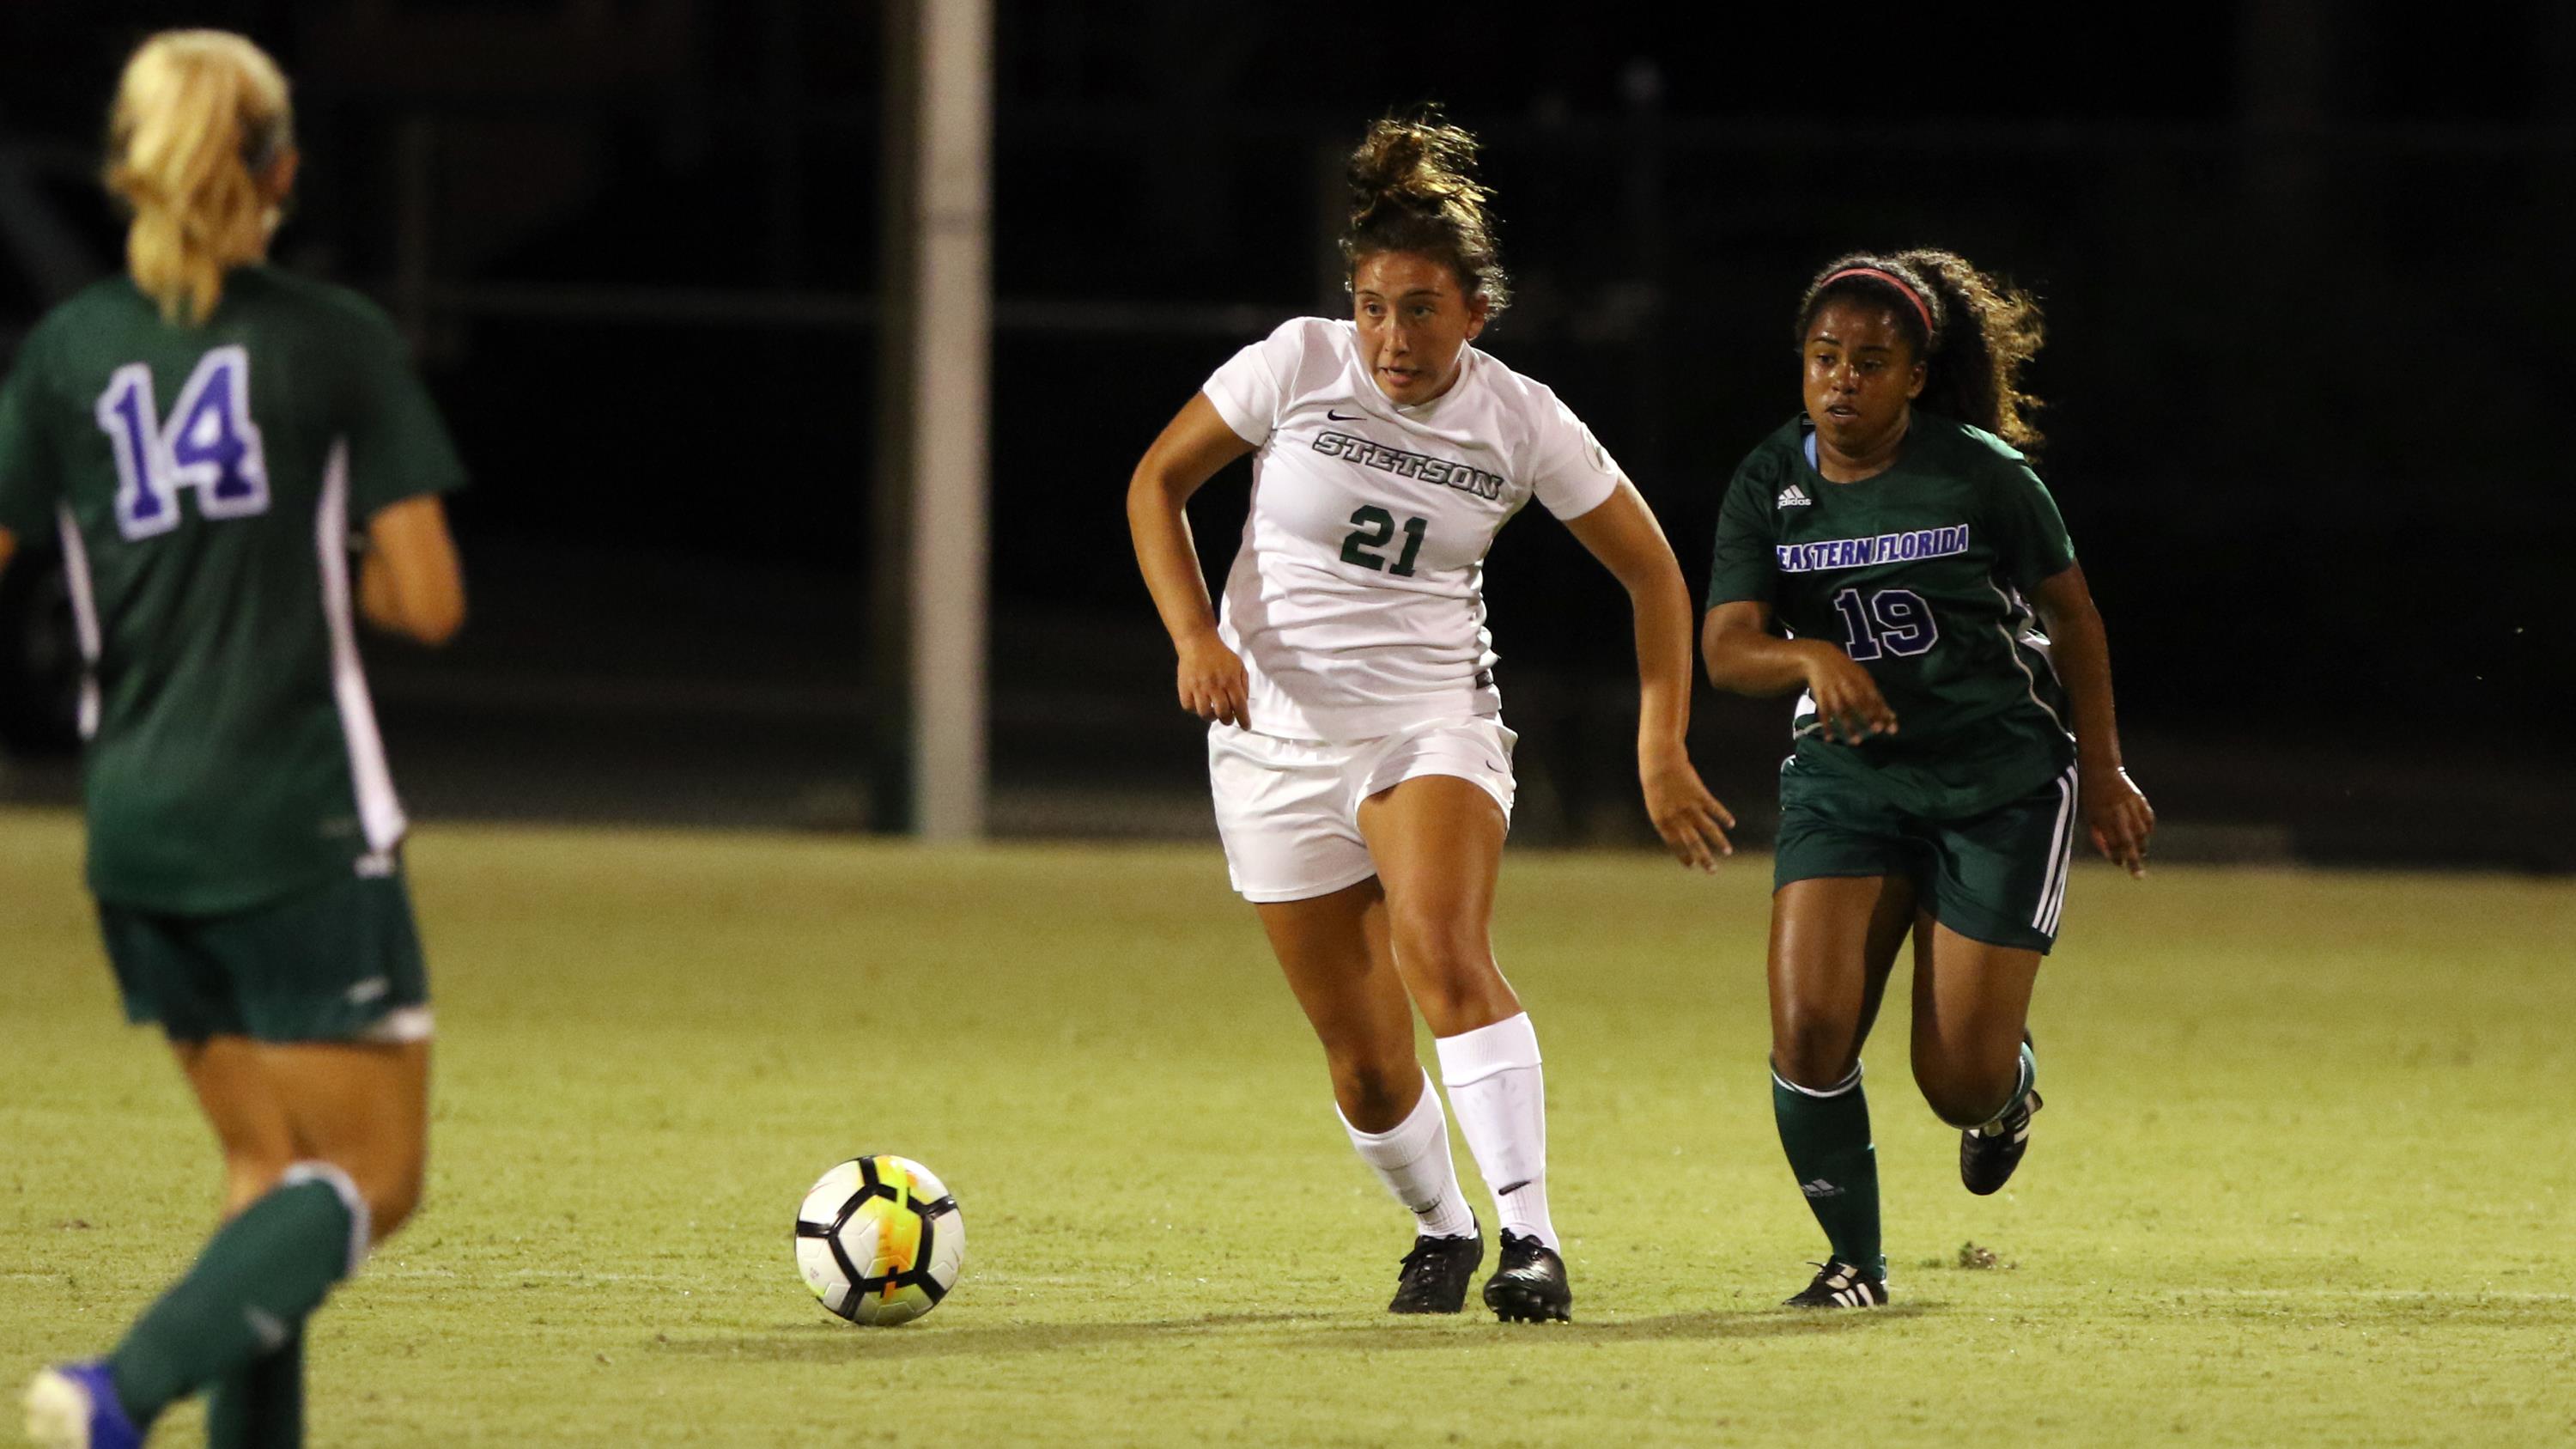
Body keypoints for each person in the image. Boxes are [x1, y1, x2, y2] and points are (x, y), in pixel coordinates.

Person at [1127, 111, 1735, 1324]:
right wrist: (1197, 636)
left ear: (1475, 313)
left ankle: (1533, 1238)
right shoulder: (1296, 365)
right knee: (1360, 1058)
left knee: (1443, 952)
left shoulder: (1521, 418)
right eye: (1372, 305)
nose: (1392, 335)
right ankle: (1440, 1225)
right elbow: (1157, 482)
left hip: (1429, 722)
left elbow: (1656, 572)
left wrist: (1659, 740)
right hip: (1273, 737)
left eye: (1419, 308)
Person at [5, 31, 467, 1447]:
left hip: (133, 827)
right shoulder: (331, 340)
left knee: (270, 1174)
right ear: (279, 166)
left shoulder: (67, 351)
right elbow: (426, 600)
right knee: (370, 1180)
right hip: (296, 825)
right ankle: (120, 1389)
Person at [1700, 249, 2154, 1309]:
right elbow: (1726, 649)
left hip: (1997, 784)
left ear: (1915, 375)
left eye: (1870, 360)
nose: (1843, 379)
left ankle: (2008, 1094)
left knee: (1956, 1082)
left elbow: (2075, 618)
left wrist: (2106, 767)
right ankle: (1855, 1261)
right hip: (1851, 781)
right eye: (1824, 358)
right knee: (1809, 1030)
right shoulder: (1774, 480)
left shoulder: (1985, 472)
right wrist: (1808, 657)